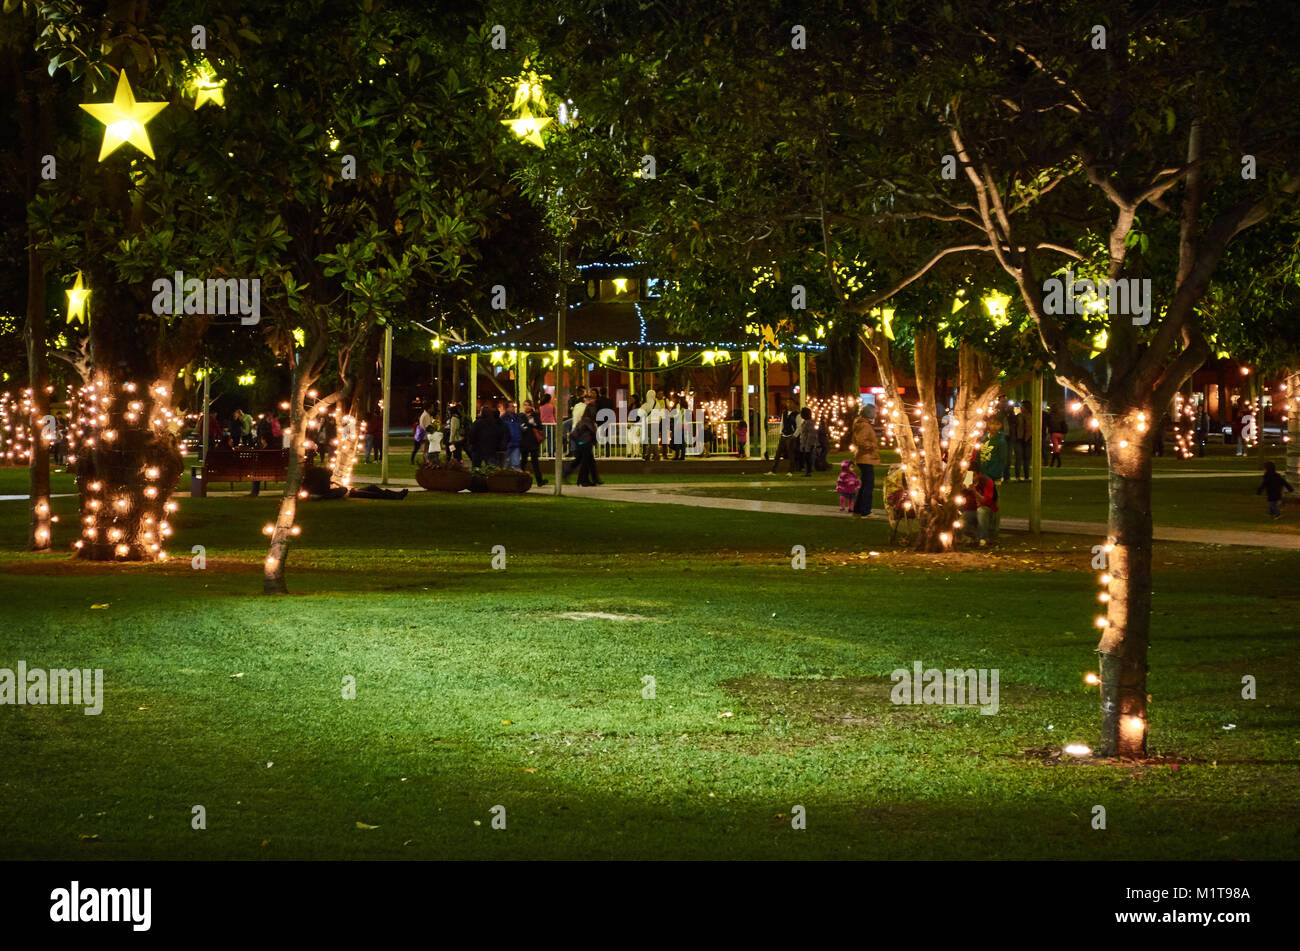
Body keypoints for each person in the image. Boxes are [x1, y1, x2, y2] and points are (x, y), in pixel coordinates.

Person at [851, 405, 881, 517]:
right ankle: (865, 511)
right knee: (868, 486)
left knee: (865, 485)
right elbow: (861, 441)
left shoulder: (860, 424)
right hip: (866, 457)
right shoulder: (865, 426)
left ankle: (858, 509)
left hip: (863, 457)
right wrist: (872, 446)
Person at [769, 397, 800, 474]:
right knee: (778, 453)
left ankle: (791, 470)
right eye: (787, 403)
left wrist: (794, 435)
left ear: (794, 404)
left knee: (791, 454)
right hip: (784, 435)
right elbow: (782, 423)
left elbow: (799, 426)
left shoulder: (797, 415)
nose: (788, 404)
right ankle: (773, 470)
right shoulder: (784, 413)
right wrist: (781, 433)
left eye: (790, 403)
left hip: (791, 436)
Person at [520, 399, 547, 485]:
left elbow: (540, 426)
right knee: (523, 461)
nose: (526, 406)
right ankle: (521, 479)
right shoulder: (521, 416)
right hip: (524, 441)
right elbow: (520, 425)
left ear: (531, 406)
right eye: (525, 405)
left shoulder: (535, 415)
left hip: (533, 441)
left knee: (535, 462)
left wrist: (533, 423)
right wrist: (523, 427)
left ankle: (539, 481)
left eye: (528, 405)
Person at [469, 404, 503, 469]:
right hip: (490, 449)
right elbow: (497, 435)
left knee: (476, 467)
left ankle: (477, 478)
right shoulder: (493, 424)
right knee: (491, 467)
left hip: (477, 449)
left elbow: (472, 435)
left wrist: (472, 444)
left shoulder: (477, 423)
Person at [980, 420, 1011, 485]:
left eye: (997, 424)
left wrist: (997, 472)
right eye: (992, 423)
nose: (994, 426)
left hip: (995, 474)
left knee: (994, 492)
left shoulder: (1001, 442)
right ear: (988, 424)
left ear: (1001, 425)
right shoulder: (984, 439)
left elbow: (1003, 459)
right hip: (982, 472)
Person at [1009, 404, 1031, 481]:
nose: (1021, 408)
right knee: (1018, 458)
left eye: (1023, 407)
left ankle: (1026, 477)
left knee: (1027, 459)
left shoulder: (1031, 417)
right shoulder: (1018, 416)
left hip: (1028, 439)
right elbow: (1014, 426)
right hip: (1019, 439)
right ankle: (1017, 477)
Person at [501, 401, 525, 470]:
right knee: (505, 464)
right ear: (507, 408)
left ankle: (516, 478)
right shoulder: (503, 418)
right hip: (507, 445)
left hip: (515, 444)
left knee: (516, 464)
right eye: (512, 406)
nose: (514, 408)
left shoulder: (517, 418)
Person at [795, 406, 817, 476]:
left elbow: (810, 435)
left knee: (808, 458)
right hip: (804, 444)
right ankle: (807, 471)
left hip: (808, 444)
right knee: (806, 458)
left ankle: (808, 472)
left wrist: (807, 446)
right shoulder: (805, 422)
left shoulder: (809, 423)